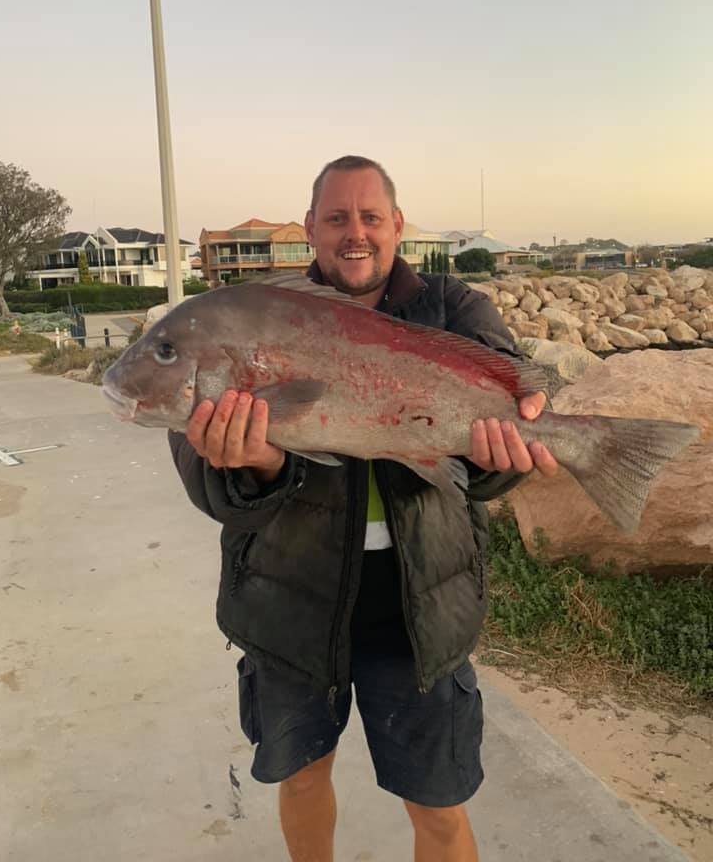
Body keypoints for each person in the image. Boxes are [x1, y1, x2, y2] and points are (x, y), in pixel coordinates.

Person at [168, 156, 558, 862]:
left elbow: (502, 443)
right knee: (301, 780)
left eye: (370, 217)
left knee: (439, 807)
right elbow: (208, 488)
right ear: (310, 228)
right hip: (289, 605)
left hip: (419, 609)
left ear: (397, 225)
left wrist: (502, 454)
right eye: (337, 218)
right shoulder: (254, 314)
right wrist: (260, 465)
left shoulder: (454, 308)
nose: (355, 233)